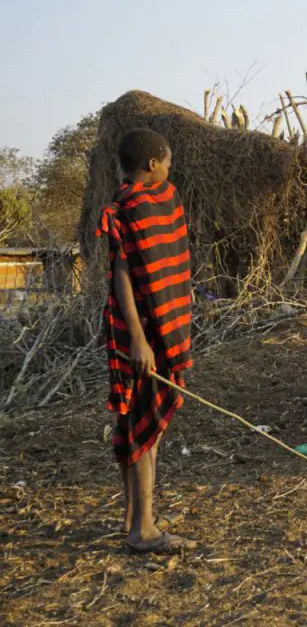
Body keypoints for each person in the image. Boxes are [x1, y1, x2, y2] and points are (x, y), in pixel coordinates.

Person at [98, 128, 195, 554]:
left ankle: (138, 515)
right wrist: (139, 339)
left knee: (144, 428)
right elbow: (123, 276)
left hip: (163, 331)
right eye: (167, 161)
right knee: (141, 428)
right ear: (151, 164)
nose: (170, 168)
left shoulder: (161, 202)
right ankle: (144, 531)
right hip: (138, 336)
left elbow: (167, 263)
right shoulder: (129, 209)